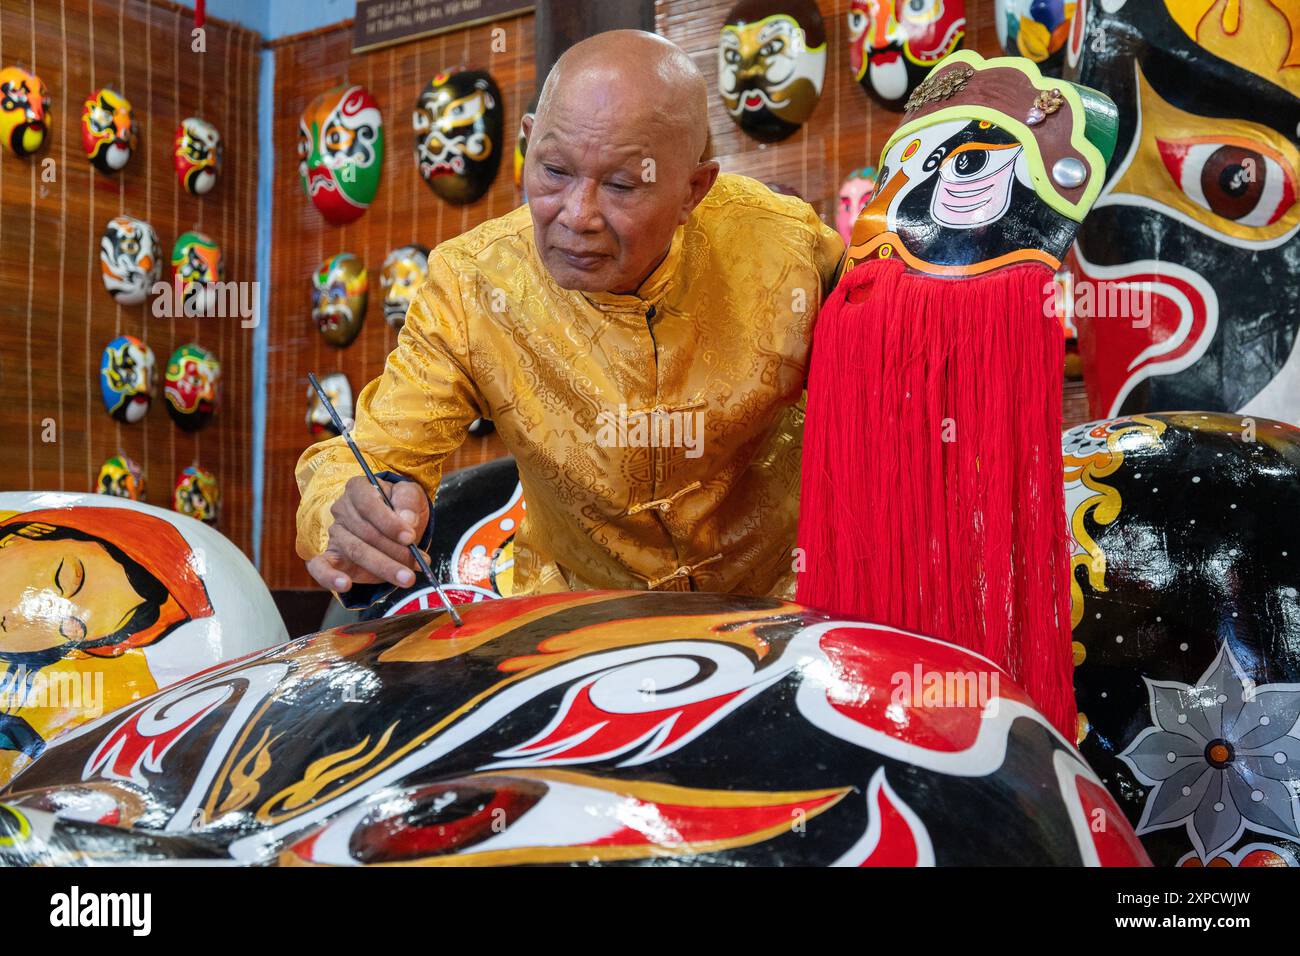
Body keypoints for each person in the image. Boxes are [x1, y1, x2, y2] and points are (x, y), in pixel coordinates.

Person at [296, 29, 843, 605]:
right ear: (528, 142)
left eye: (622, 185)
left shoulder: (786, 249)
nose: (577, 216)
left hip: (788, 609)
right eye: (554, 171)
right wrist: (366, 505)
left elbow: (891, 399)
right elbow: (370, 454)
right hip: (577, 625)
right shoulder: (472, 285)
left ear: (693, 190)